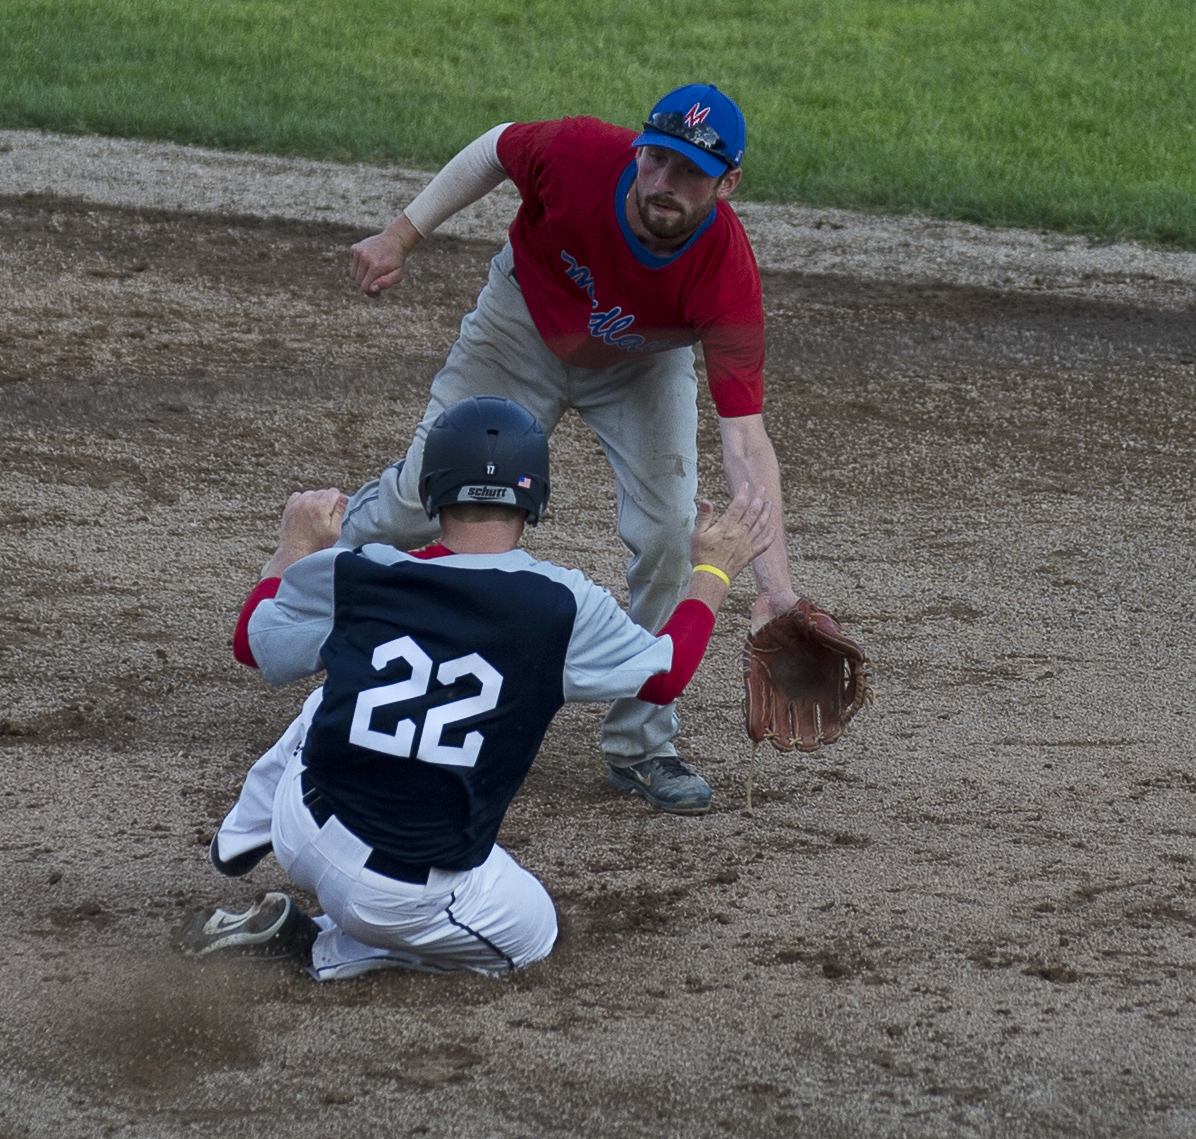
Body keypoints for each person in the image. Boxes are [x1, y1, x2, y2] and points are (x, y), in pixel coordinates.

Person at [183, 397, 774, 978]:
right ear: (534, 496)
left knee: (336, 688)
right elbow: (665, 676)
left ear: (432, 490)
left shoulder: (361, 570)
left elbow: (250, 642)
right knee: (535, 934)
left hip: (301, 826)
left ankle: (247, 828)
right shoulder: (561, 605)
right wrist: (713, 569)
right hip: (392, 895)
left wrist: (293, 547)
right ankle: (317, 945)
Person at [339, 84, 798, 815]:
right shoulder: (579, 154)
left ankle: (643, 744)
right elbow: (493, 146)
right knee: (414, 502)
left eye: (691, 174)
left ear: (728, 184)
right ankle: (316, 576)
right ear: (640, 149)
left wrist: (775, 584)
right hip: (521, 324)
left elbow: (745, 437)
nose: (665, 184)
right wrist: (400, 235)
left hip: (641, 367)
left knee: (671, 537)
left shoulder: (727, 274)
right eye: (658, 160)